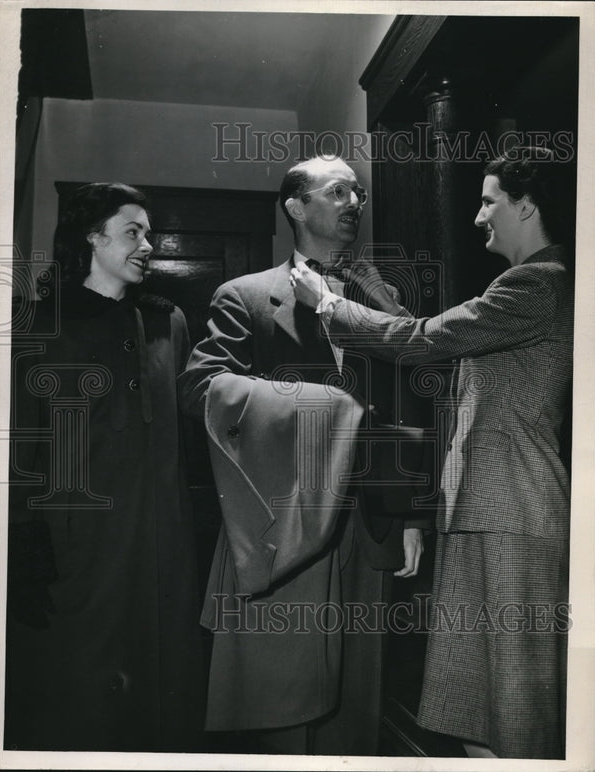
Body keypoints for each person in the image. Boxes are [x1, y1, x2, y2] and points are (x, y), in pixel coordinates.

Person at [291, 147, 574, 759]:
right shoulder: (524, 288)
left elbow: (426, 341)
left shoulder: (539, 284)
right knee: (476, 708)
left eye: (489, 201)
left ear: (526, 206)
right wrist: (381, 305)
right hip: (484, 513)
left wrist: (332, 304)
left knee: (519, 711)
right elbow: (444, 364)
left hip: (515, 516)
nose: (478, 217)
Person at [178, 156, 428, 755]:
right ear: (295, 205)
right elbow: (199, 387)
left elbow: (410, 402)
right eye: (338, 190)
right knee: (282, 691)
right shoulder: (243, 295)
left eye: (359, 193)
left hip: (371, 525)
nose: (355, 203)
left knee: (356, 700)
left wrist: (414, 515)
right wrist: (322, 407)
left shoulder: (383, 300)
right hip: (284, 523)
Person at [5, 183, 205, 752]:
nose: (150, 245)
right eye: (133, 232)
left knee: (161, 696)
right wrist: (21, 540)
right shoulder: (37, 322)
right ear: (92, 237)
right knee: (75, 703)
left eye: (150, 233)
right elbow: (20, 441)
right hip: (75, 553)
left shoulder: (171, 324)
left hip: (164, 549)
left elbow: (193, 438)